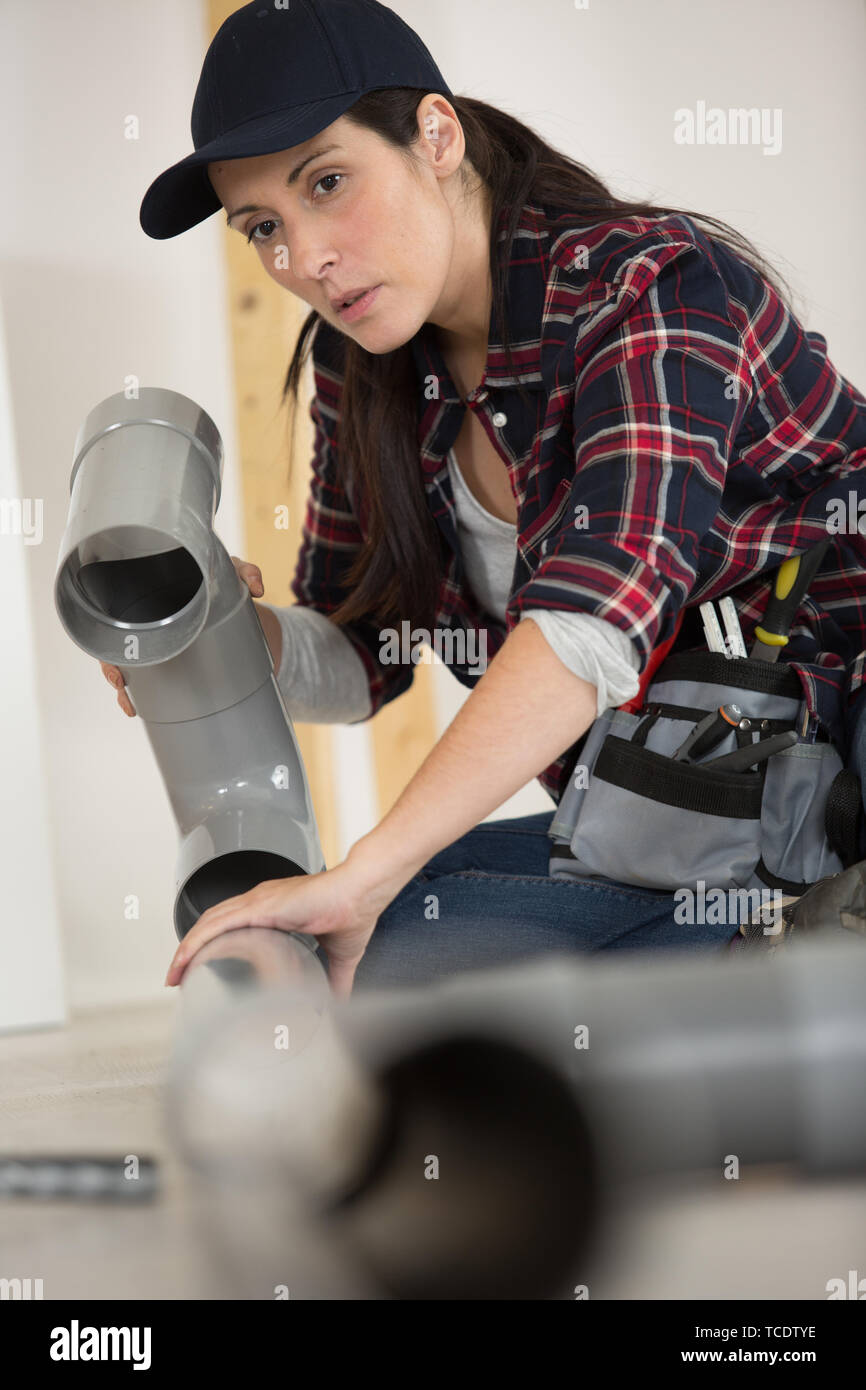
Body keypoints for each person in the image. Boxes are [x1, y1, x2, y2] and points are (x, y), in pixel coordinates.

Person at [103, 0, 866, 996]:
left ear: (434, 134)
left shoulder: (647, 292)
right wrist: (224, 639)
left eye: (327, 184)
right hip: (688, 815)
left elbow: (589, 626)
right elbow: (365, 654)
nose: (305, 260)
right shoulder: (362, 366)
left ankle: (800, 963)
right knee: (386, 971)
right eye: (263, 228)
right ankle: (792, 966)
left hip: (839, 736)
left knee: (381, 916)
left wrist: (361, 874)